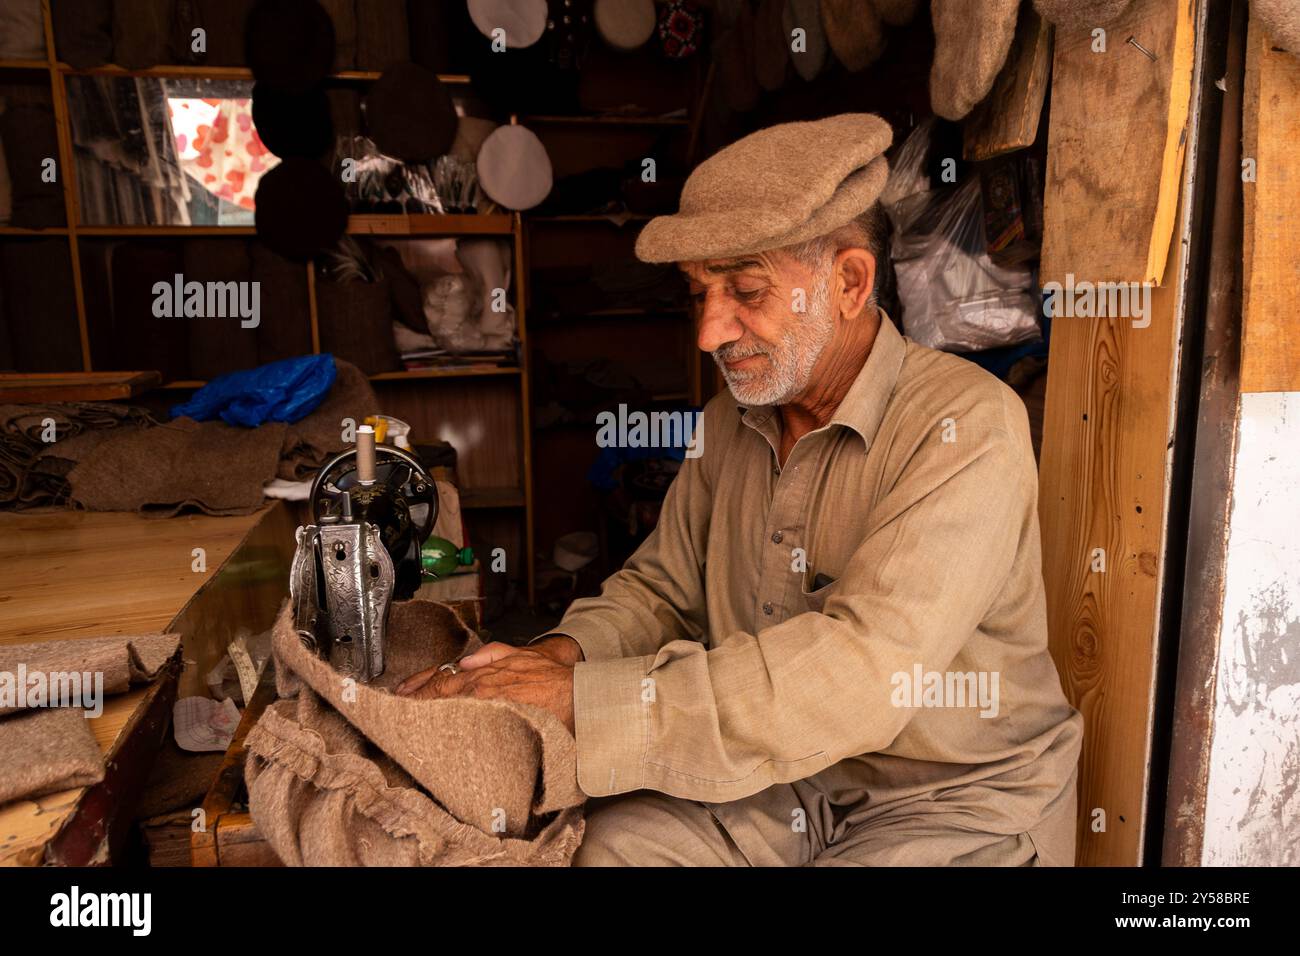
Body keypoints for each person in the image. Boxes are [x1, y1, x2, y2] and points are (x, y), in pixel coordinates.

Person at [396, 113, 1083, 866]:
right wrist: (562, 658)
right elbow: (662, 589)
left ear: (850, 282)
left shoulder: (966, 425)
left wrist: (583, 706)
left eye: (746, 291)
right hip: (783, 790)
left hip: (949, 802)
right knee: (603, 851)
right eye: (699, 295)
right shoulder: (732, 421)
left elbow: (863, 671)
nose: (709, 333)